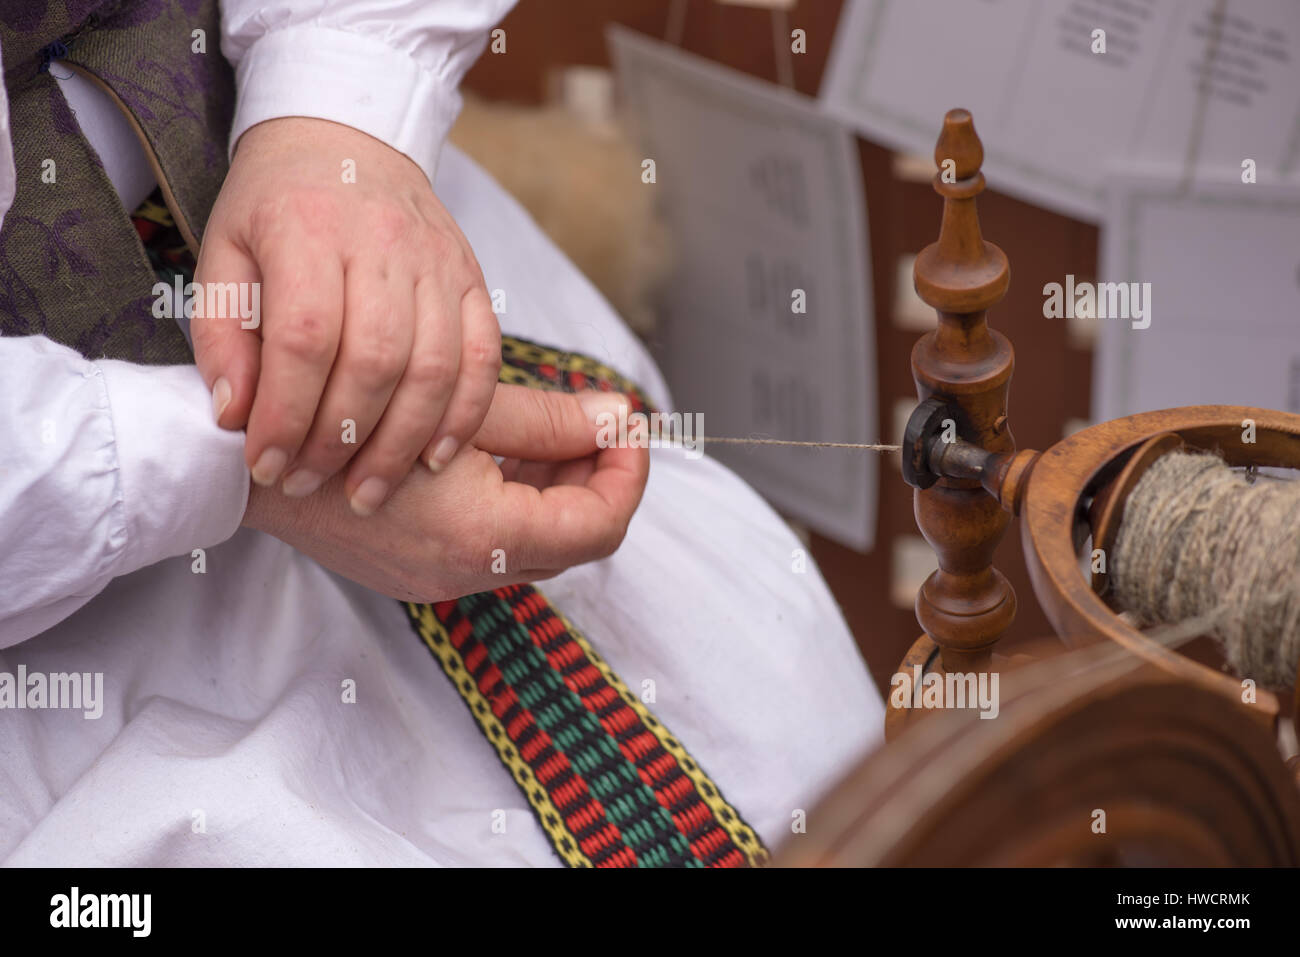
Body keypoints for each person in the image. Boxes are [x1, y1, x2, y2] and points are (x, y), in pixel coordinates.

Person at [0, 0, 882, 866]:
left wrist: (335, 123)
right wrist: (234, 459)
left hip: (338, 189)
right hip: (61, 574)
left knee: (791, 710)